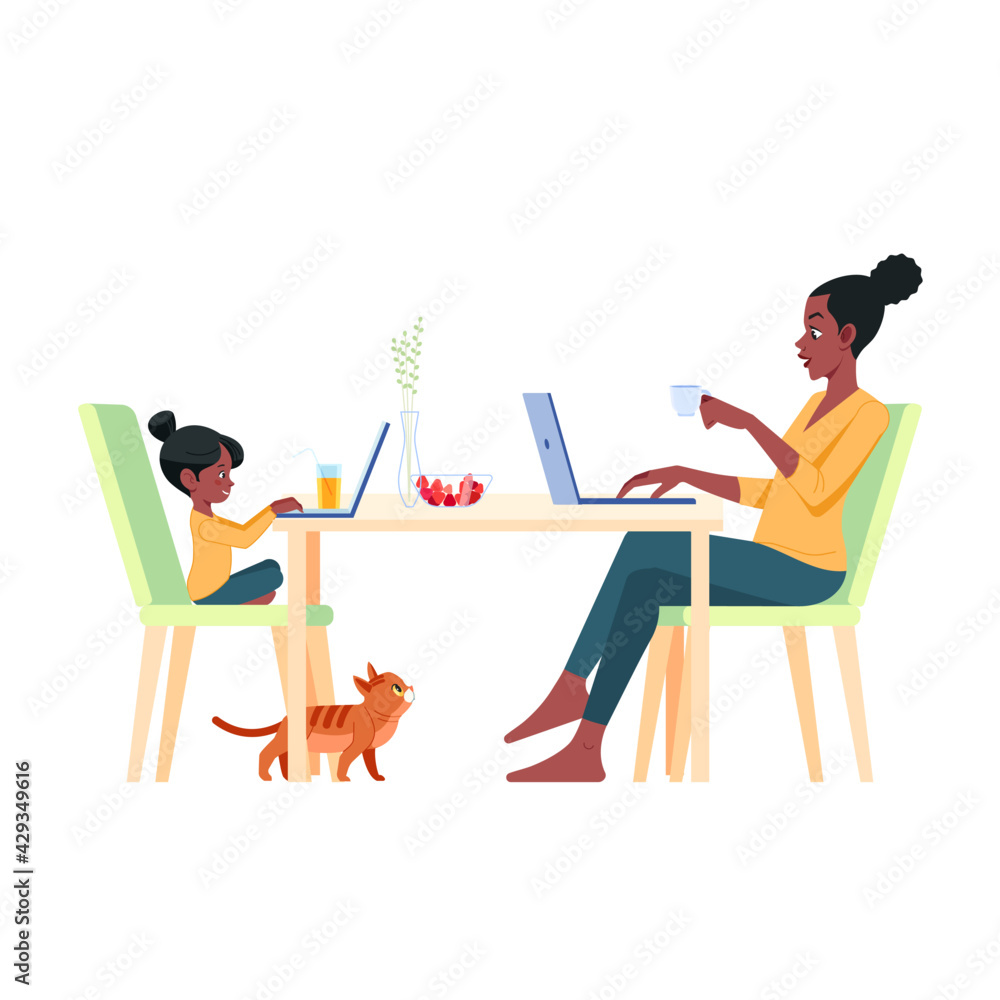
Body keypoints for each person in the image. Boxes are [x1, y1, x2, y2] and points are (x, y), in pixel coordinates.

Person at [506, 253, 923, 781]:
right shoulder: (812, 409)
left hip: (808, 573)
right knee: (648, 587)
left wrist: (747, 422)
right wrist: (688, 473)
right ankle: (586, 749)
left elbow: (816, 493)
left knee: (644, 543)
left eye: (813, 333)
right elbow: (776, 493)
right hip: (772, 562)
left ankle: (569, 684)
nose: (800, 345)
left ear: (847, 336)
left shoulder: (868, 413)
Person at [148, 411, 303, 605]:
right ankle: (239, 601)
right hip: (209, 594)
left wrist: (272, 511)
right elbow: (245, 539)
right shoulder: (206, 525)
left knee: (272, 567)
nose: (230, 483)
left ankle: (245, 600)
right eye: (222, 474)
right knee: (274, 577)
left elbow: (242, 530)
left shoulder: (206, 517)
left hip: (216, 587)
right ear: (190, 479)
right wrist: (273, 510)